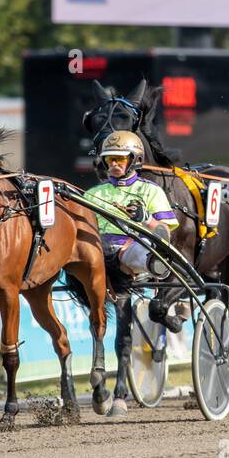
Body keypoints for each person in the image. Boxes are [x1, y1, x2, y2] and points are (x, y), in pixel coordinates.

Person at [86, 131, 185, 331]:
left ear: (135, 159)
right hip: (97, 250)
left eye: (120, 159)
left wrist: (146, 219)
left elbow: (164, 232)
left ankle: (156, 263)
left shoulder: (151, 191)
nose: (113, 164)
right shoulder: (91, 194)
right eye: (109, 159)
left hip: (132, 248)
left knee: (146, 248)